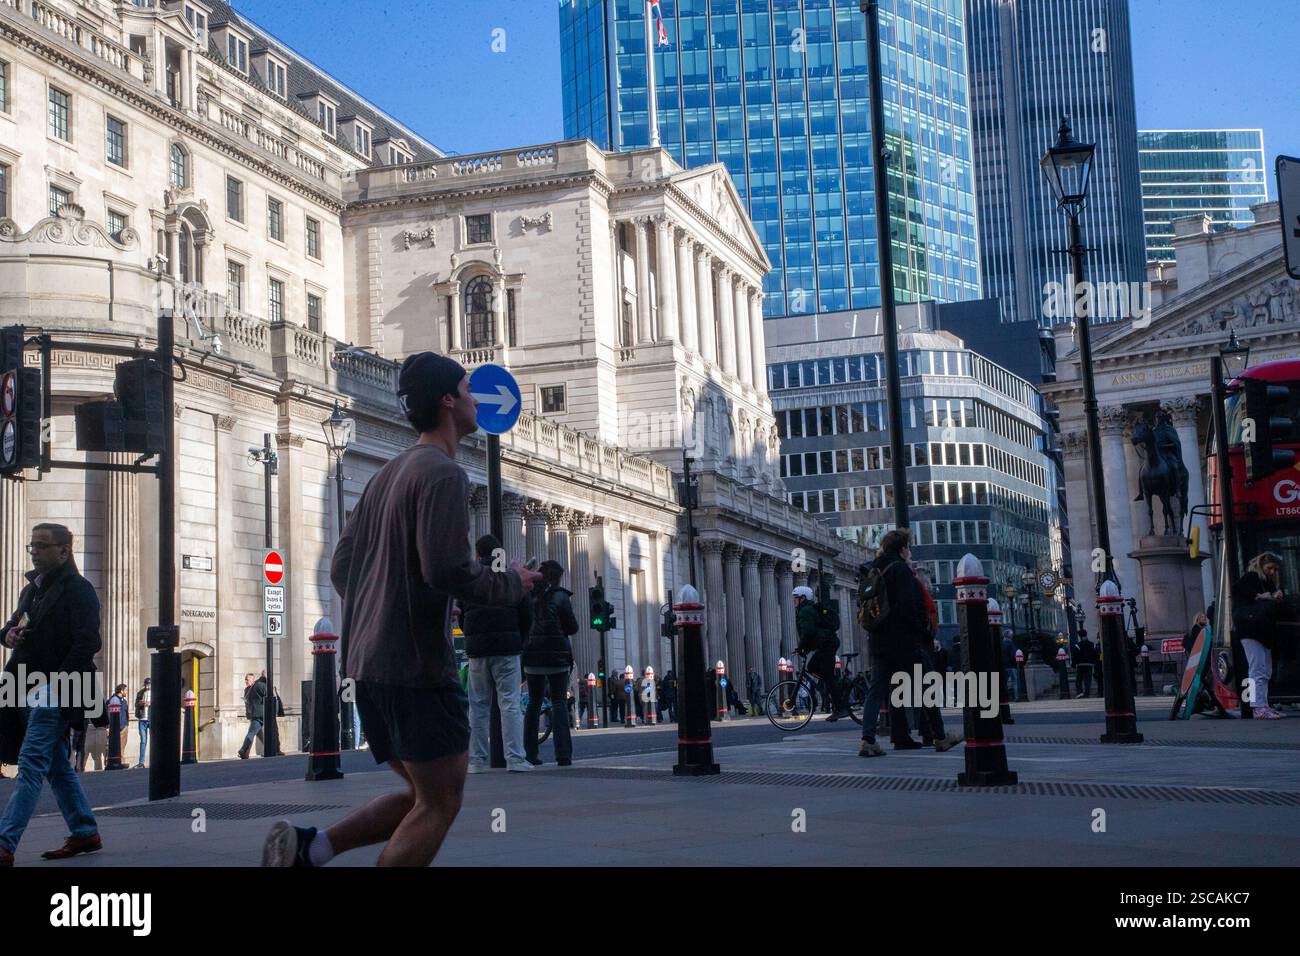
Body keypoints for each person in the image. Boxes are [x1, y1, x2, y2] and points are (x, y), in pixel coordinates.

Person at [263, 351, 541, 867]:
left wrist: (380, 604)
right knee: (441, 802)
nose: (474, 397)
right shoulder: (442, 473)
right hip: (415, 668)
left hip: (367, 667)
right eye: (467, 387)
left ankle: (310, 848)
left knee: (422, 794)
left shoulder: (385, 476)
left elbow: (342, 566)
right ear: (447, 401)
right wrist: (512, 584)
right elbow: (448, 570)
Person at [0, 523, 103, 866]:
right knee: (56, 766)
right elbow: (11, 625)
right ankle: (85, 830)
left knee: (30, 765)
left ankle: (5, 843)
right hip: (24, 687)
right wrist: (8, 635)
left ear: (64, 550)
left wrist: (56, 682)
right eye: (32, 546)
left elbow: (88, 641)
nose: (35, 552)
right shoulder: (31, 591)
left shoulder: (79, 590)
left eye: (42, 546)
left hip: (54, 691)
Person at [856, 529, 961, 756]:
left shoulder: (873, 569)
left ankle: (867, 740)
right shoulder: (900, 570)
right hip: (903, 640)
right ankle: (940, 737)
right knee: (926, 685)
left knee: (876, 691)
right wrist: (922, 633)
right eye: (908, 547)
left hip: (878, 641)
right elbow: (908, 606)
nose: (909, 550)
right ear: (903, 548)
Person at [462, 534, 533, 774]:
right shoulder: (509, 576)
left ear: (477, 554)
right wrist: (518, 639)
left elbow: (462, 614)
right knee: (510, 704)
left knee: (478, 707)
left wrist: (472, 636)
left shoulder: (470, 577)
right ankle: (515, 758)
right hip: (507, 648)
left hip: (478, 652)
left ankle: (477, 761)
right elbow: (526, 614)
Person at [523, 560, 577, 765]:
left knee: (533, 704)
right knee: (559, 702)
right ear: (557, 577)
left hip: (532, 656)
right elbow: (572, 627)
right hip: (557, 657)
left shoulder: (529, 596)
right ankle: (563, 755)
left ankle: (530, 753)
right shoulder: (561, 597)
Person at [1232, 552, 1286, 719]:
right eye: (1269, 568)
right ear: (1261, 566)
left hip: (1262, 631)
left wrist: (1275, 594)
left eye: (1274, 569)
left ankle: (1263, 705)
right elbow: (1238, 589)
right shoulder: (1251, 577)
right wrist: (1261, 596)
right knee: (1257, 668)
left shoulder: (1266, 582)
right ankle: (1257, 707)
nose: (1272, 572)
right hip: (1251, 630)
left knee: (1265, 669)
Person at [793, 585, 848, 721]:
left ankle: (840, 707)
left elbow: (808, 632)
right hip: (827, 643)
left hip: (826, 644)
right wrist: (804, 647)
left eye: (795, 598)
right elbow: (814, 633)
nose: (793, 601)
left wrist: (801, 648)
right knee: (814, 668)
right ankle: (831, 688)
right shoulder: (810, 609)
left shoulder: (805, 611)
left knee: (826, 675)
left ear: (803, 598)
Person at [238, 673, 266, 758]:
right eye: (245, 679)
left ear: (252, 680)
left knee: (252, 733)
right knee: (258, 734)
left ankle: (244, 750)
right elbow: (248, 703)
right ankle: (245, 752)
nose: (246, 681)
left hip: (259, 713)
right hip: (254, 714)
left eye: (248, 679)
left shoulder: (257, 687)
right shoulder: (247, 690)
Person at [108, 683, 130, 759]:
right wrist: (108, 727)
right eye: (126, 690)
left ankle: (121, 761)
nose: (127, 692)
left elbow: (126, 713)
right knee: (113, 747)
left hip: (124, 727)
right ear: (121, 691)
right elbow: (109, 714)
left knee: (122, 747)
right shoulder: (113, 700)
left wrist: (126, 724)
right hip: (115, 728)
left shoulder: (124, 701)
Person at [133, 677, 151, 769]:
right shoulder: (140, 693)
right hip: (142, 719)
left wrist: (150, 703)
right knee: (143, 741)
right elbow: (136, 704)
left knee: (154, 741)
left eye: (149, 684)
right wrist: (141, 703)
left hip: (152, 719)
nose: (147, 686)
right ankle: (141, 762)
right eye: (146, 685)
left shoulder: (156, 692)